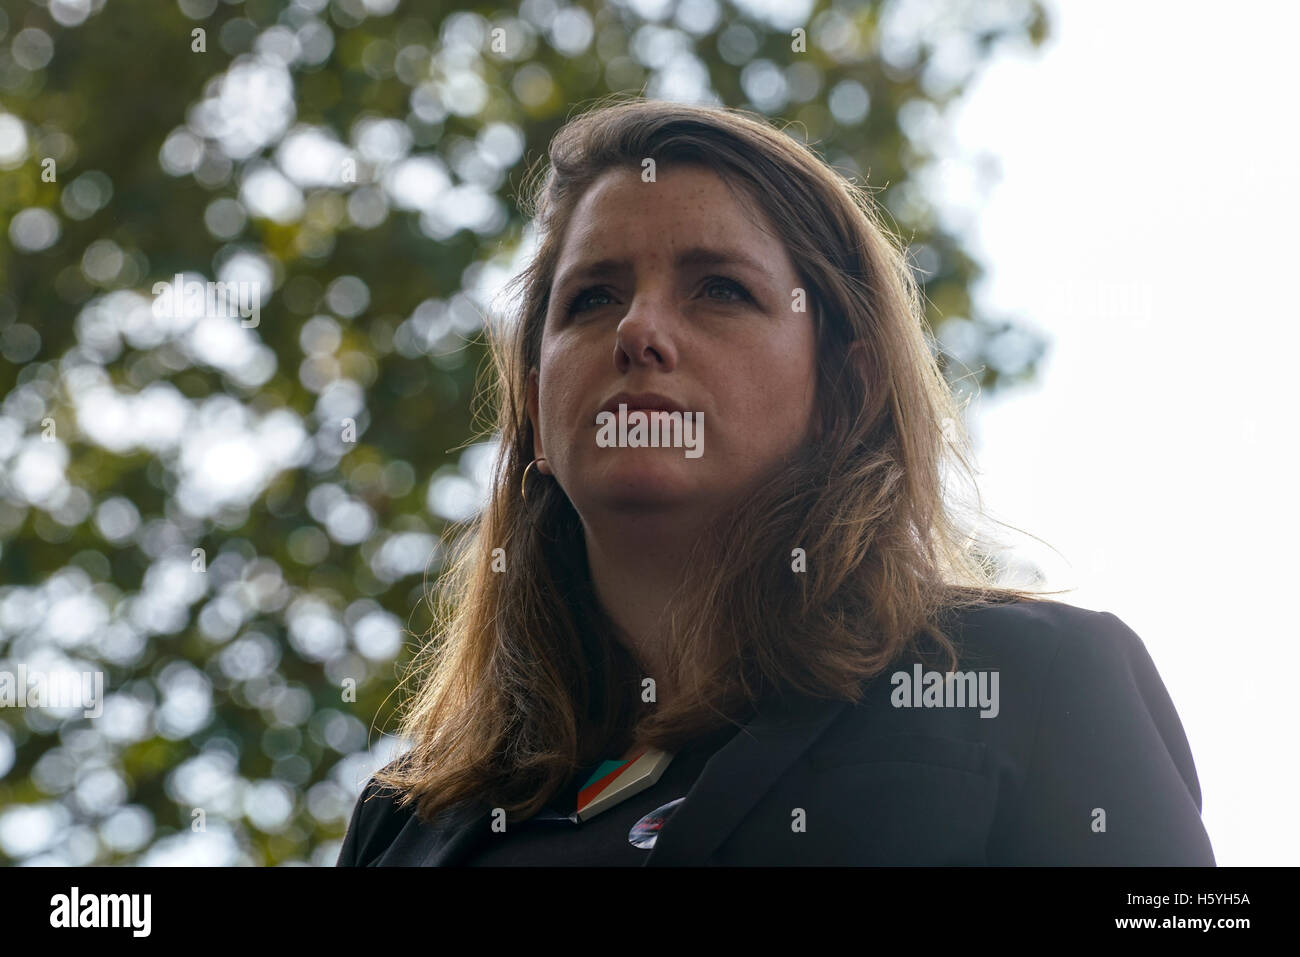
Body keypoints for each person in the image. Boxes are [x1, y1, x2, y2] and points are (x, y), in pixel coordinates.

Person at [337, 96, 1214, 866]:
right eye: (592, 298)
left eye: (718, 289)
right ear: (532, 405)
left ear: (844, 387)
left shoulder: (1032, 682)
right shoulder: (404, 821)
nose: (640, 332)